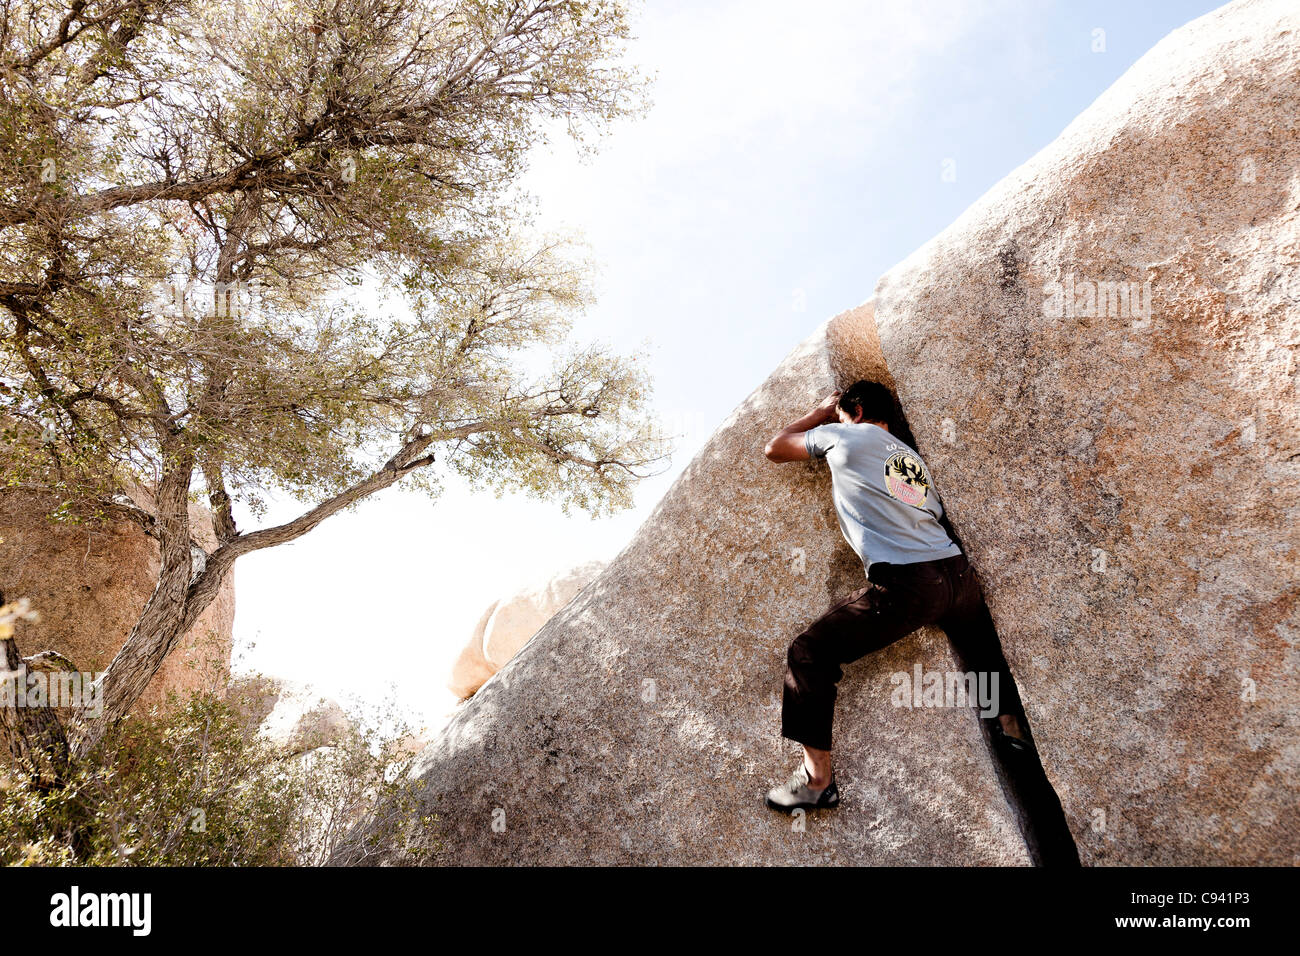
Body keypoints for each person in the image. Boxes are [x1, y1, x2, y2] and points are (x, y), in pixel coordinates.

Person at [762, 380, 1029, 813]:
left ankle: (816, 783)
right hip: (958, 575)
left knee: (808, 652)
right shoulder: (909, 456)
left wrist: (819, 413)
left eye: (843, 414)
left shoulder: (842, 433)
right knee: (979, 648)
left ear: (857, 411)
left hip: (910, 584)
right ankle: (1011, 725)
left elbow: (775, 448)